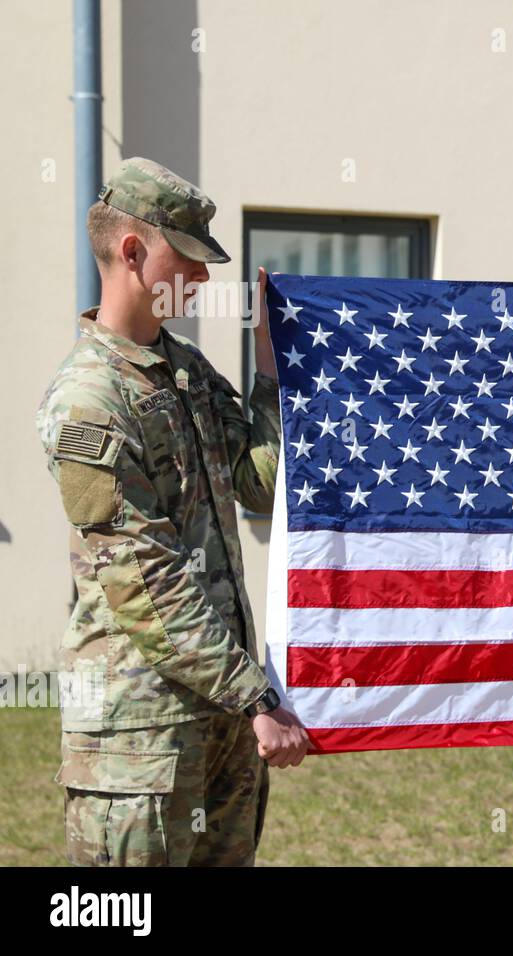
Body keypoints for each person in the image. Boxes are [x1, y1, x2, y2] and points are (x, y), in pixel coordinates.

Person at [35, 157, 309, 866]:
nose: (203, 279)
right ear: (132, 251)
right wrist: (257, 695)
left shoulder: (187, 371)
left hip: (216, 724)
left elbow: (261, 486)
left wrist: (270, 375)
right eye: (187, 257)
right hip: (139, 745)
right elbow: (141, 578)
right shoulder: (88, 401)